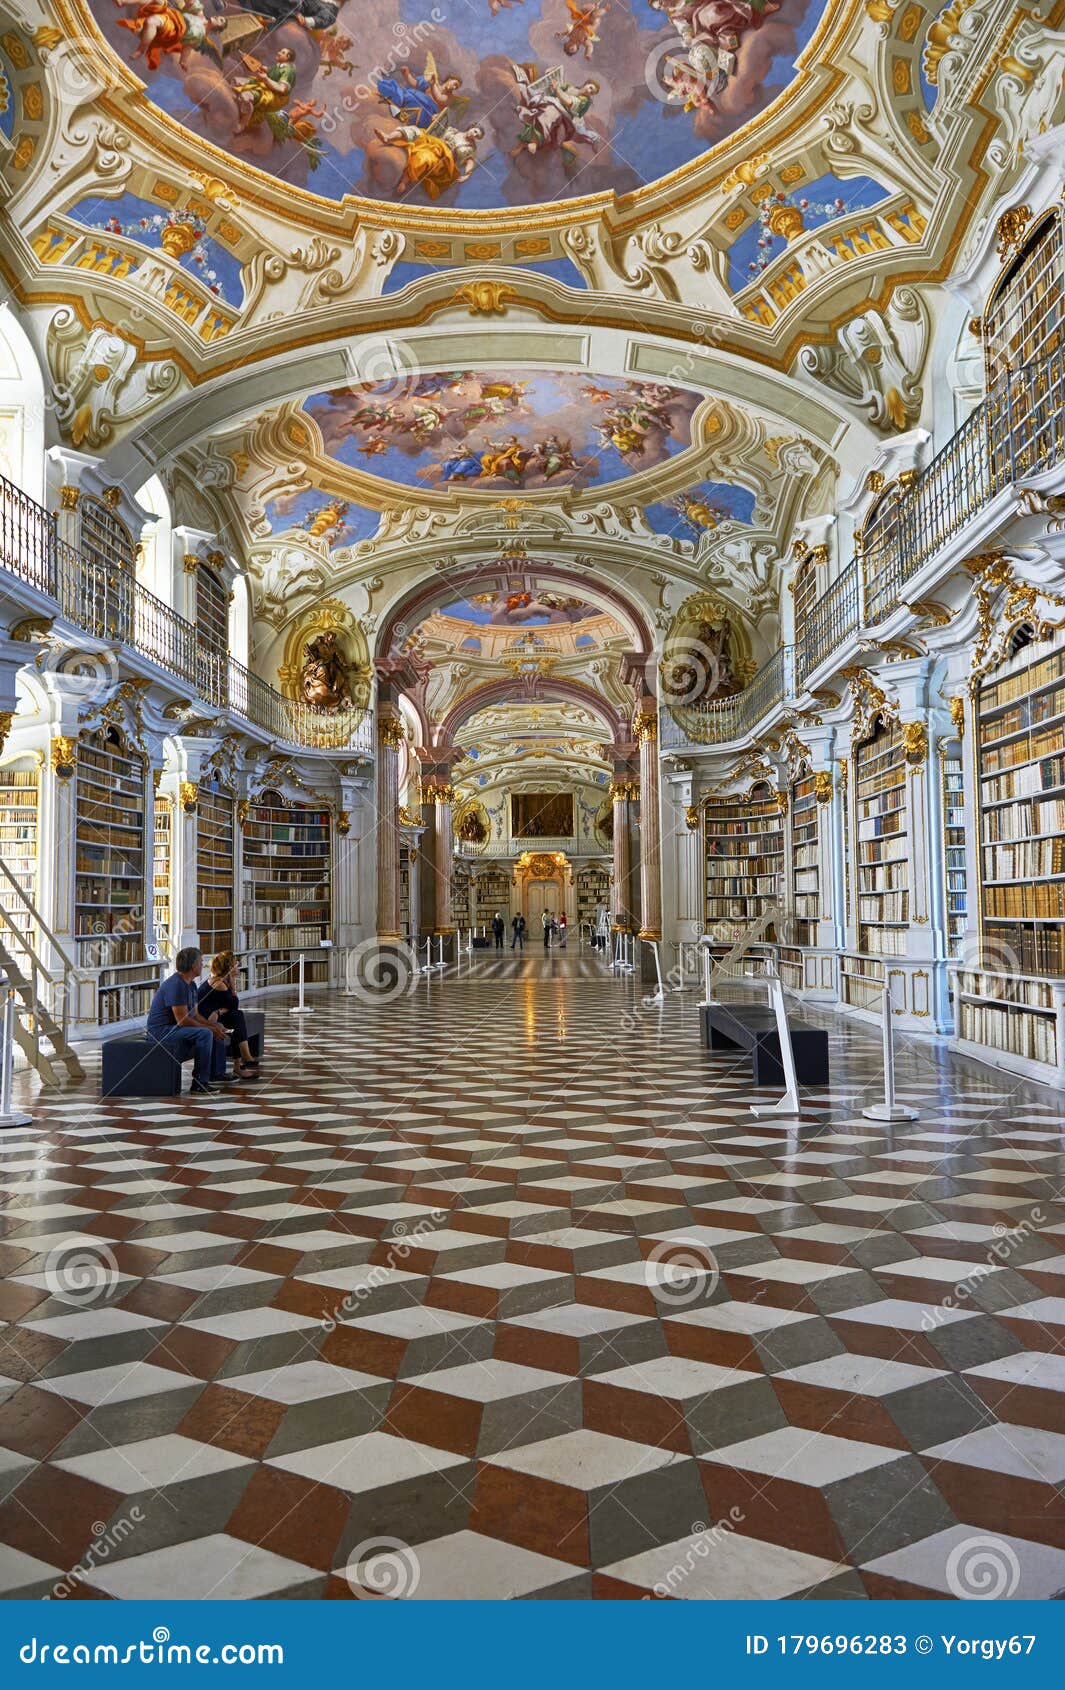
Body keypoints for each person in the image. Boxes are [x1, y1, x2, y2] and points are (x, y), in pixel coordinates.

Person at [145, 946, 227, 1094]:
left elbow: (194, 1015)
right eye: (201, 962)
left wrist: (213, 1026)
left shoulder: (192, 985)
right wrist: (209, 1029)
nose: (203, 965)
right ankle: (199, 1083)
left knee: (218, 1025)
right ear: (193, 965)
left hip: (175, 1028)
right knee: (205, 1034)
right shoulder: (176, 985)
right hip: (161, 1032)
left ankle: (217, 1073)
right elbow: (182, 1020)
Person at [197, 950, 260, 1080]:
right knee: (237, 1017)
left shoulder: (222, 981)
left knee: (237, 1018)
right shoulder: (219, 983)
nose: (238, 966)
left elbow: (228, 1007)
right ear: (229, 968)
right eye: (235, 964)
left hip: (214, 1014)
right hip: (204, 1018)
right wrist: (232, 986)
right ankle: (242, 1061)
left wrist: (218, 1011)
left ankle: (241, 1063)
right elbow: (234, 1004)